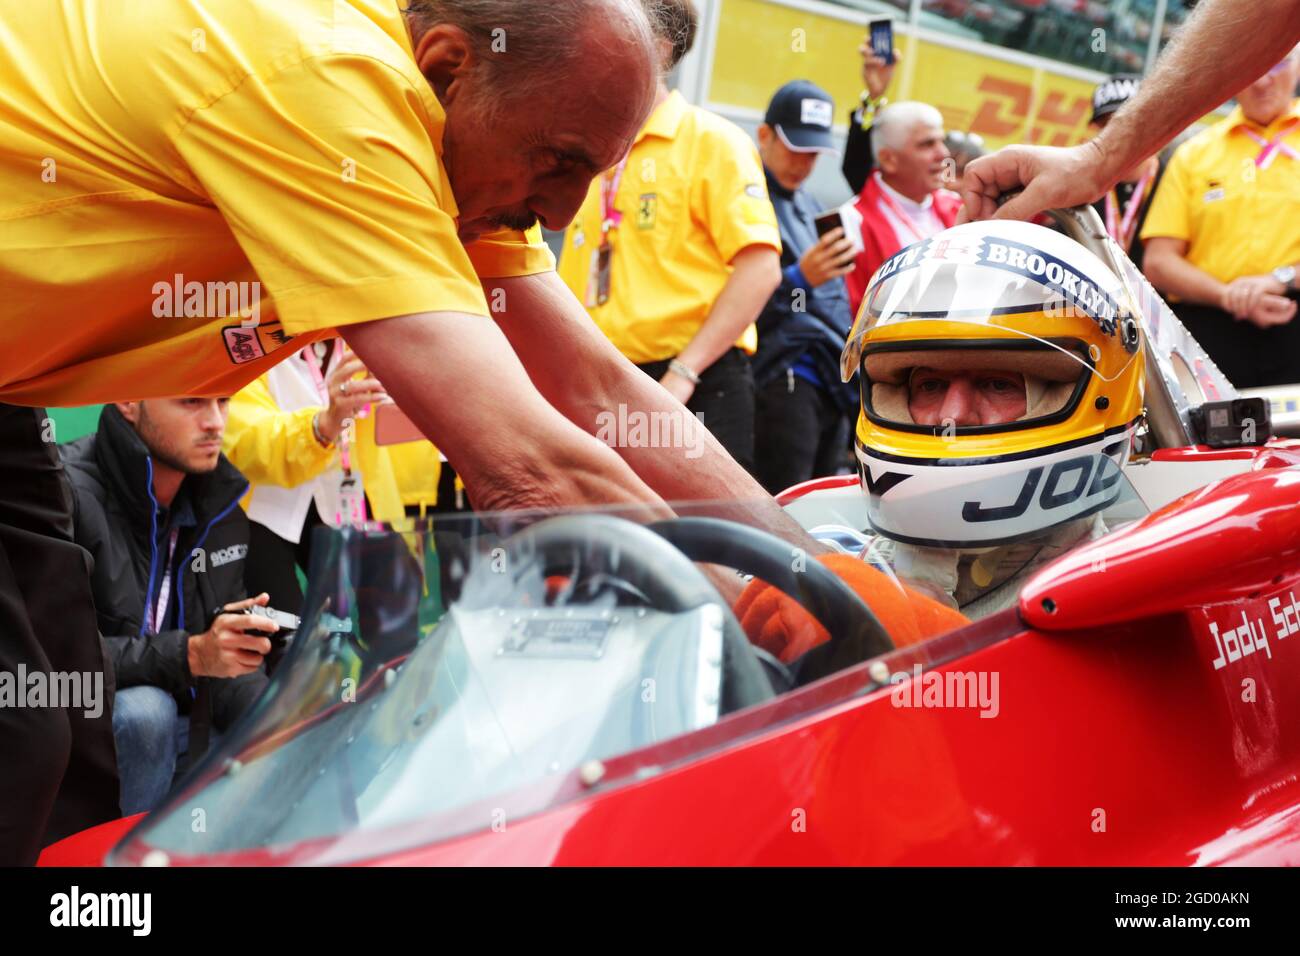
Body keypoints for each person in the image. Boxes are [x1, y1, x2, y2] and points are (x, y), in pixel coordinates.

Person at [0, 0, 873, 858]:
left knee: (69, 737)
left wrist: (835, 585)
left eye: (590, 172)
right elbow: (530, 469)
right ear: (448, 67)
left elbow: (597, 386)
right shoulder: (331, 85)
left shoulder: (457, 130)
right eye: (561, 160)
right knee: (23, 740)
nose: (565, 213)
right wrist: (789, 630)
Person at [754, 218, 1146, 652]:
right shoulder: (828, 552)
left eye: (998, 384)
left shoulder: (1124, 602)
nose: (952, 417)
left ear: (1095, 398)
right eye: (930, 386)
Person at [556, 0, 783, 471]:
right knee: (611, 539)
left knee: (702, 541)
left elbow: (760, 269)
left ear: (658, 49)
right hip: (603, 387)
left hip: (695, 385)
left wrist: (683, 373)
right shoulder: (589, 147)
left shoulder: (713, 142)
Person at [61, 399, 276, 815]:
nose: (215, 422)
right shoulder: (66, 491)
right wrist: (191, 654)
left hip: (180, 731)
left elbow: (224, 669)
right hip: (74, 729)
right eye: (192, 402)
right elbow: (54, 663)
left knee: (278, 734)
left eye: (223, 402)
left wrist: (278, 722)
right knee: (146, 713)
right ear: (128, 400)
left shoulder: (220, 504)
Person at [962, 0, 1300, 222]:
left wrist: (1097, 160)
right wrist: (1097, 160)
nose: (1263, 83)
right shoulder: (1196, 154)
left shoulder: (1174, 166)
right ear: (1094, 129)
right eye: (1108, 123)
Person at [222, 338, 438, 619]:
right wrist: (321, 427)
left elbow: (406, 435)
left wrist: (401, 393)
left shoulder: (365, 337)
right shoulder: (242, 338)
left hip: (352, 495)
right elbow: (244, 443)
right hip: (262, 509)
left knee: (396, 610)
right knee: (283, 635)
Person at [1140, 49, 1300, 388]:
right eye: (1252, 66)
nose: (1263, 80)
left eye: (1279, 63)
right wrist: (1227, 294)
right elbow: (1159, 262)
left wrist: (1281, 279)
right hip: (1207, 337)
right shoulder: (1193, 153)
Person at [750, 80, 859, 495]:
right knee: (786, 504)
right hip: (778, 378)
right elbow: (727, 305)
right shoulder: (743, 197)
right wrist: (799, 280)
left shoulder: (812, 205)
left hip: (831, 381)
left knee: (820, 502)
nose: (805, 162)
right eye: (796, 148)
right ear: (765, 136)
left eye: (814, 152)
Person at [844, 102, 962, 314]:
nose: (943, 153)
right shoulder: (851, 223)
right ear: (888, 159)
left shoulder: (959, 208)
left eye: (941, 142)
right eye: (927, 144)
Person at [1086, 74, 1162, 271]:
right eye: (1107, 124)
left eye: (1127, 121)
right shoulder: (1083, 188)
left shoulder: (1175, 177)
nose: (1117, 133)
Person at [842, 40, 900, 195]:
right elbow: (858, 167)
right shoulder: (883, 197)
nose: (939, 153)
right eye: (927, 144)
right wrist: (874, 99)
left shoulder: (950, 209)